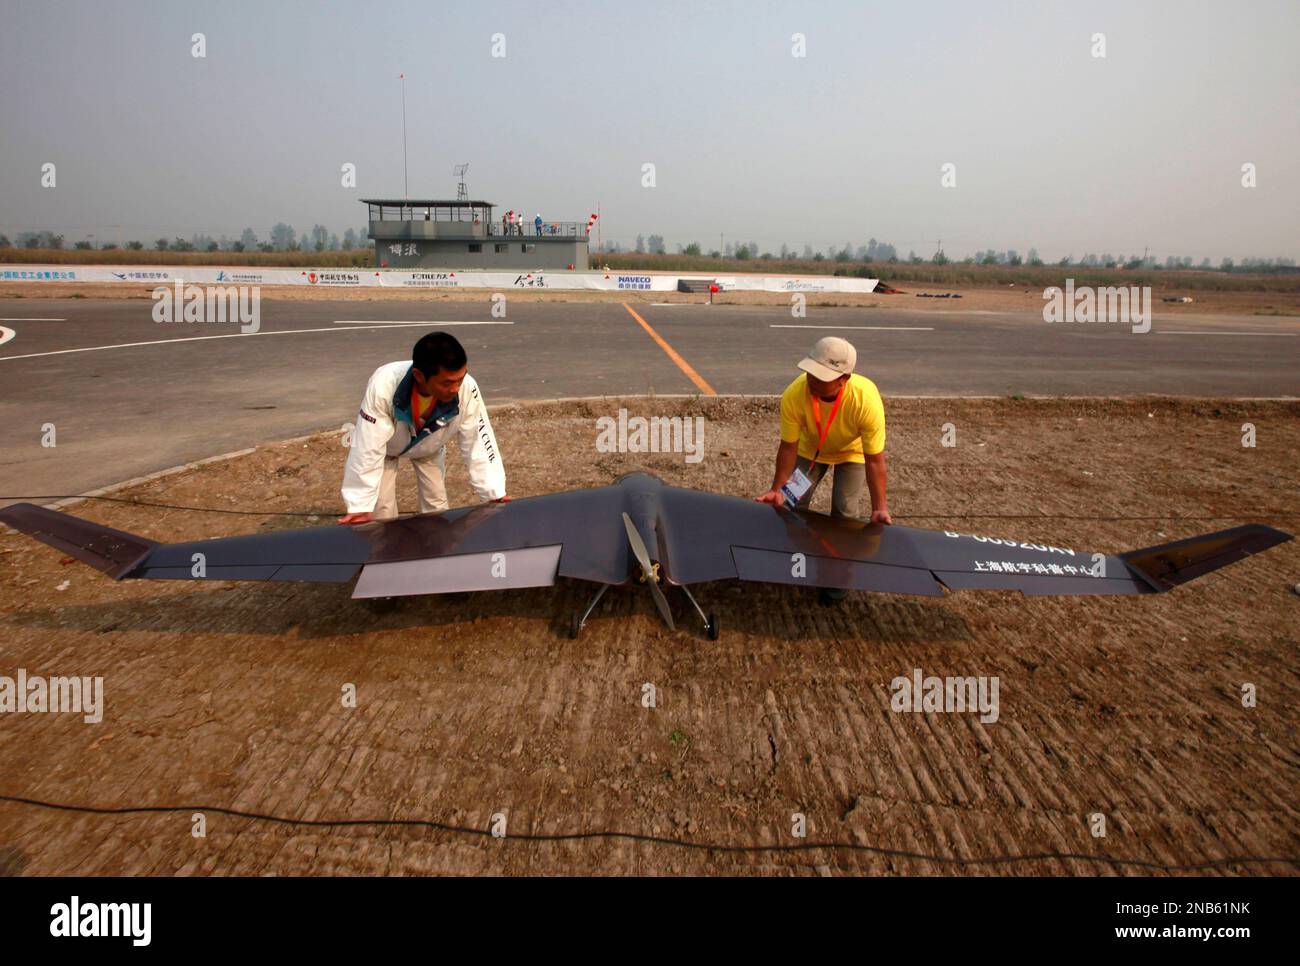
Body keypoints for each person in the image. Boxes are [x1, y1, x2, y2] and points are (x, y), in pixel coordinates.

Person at [755, 336, 889, 602]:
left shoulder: (866, 400)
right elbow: (788, 448)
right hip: (810, 451)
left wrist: (880, 508)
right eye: (811, 372)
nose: (812, 380)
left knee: (844, 512)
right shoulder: (794, 394)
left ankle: (837, 576)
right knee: (792, 504)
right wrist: (777, 490)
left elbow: (874, 460)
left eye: (822, 376)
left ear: (844, 379)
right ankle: (795, 563)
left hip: (851, 454)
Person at [339, 332, 508, 523]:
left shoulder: (467, 387)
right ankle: (387, 552)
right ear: (419, 376)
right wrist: (360, 504)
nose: (455, 389)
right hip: (386, 449)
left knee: (436, 507)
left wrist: (493, 492)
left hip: (430, 445)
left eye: (460, 379)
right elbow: (367, 446)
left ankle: (435, 550)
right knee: (381, 514)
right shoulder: (384, 384)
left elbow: (478, 438)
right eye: (447, 383)